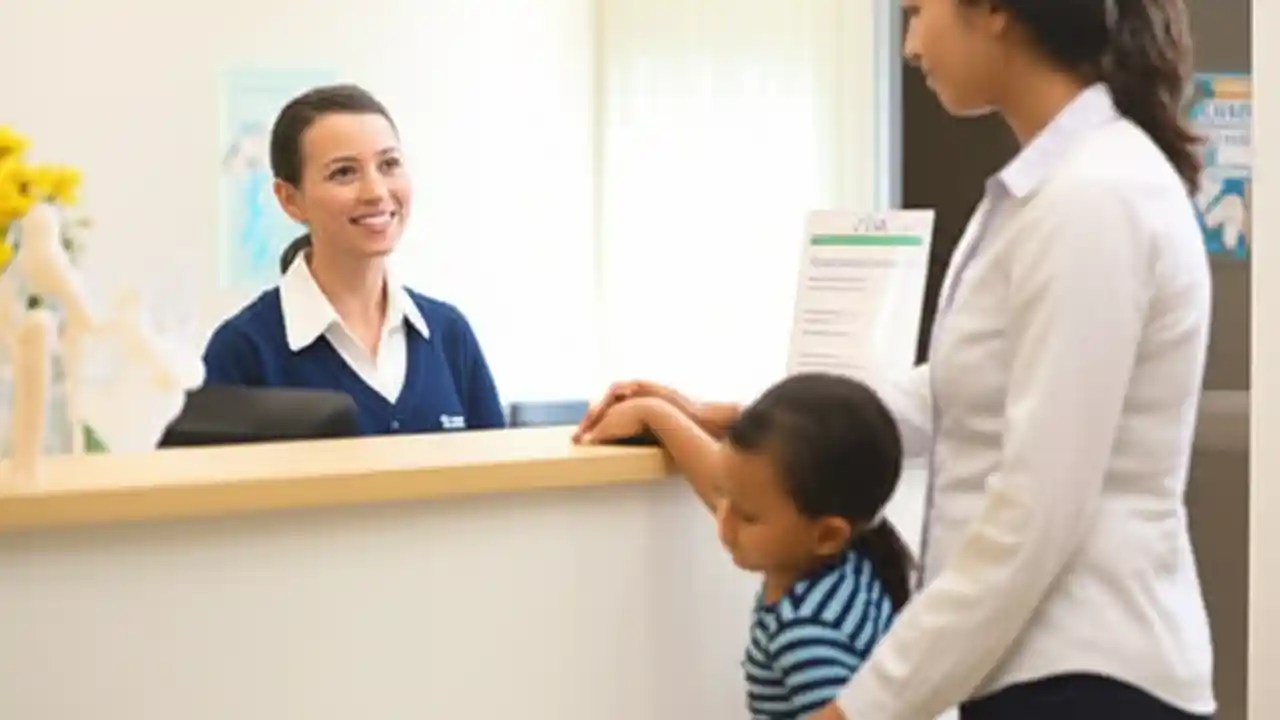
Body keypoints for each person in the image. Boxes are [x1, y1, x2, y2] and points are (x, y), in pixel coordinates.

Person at [577, 0, 1216, 717]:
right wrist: (743, 419)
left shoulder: (1095, 197)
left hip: (1087, 676)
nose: (909, 44)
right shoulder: (1051, 188)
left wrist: (861, 709)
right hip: (1039, 674)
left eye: (916, 10)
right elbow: (948, 393)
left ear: (995, 10)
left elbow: (1035, 513)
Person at [581, 373, 912, 719]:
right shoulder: (854, 552)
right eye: (725, 500)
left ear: (827, 535)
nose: (723, 524)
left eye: (748, 517)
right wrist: (659, 413)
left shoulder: (806, 633)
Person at [203, 84, 505, 435]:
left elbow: (503, 482)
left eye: (389, 164)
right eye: (344, 172)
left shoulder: (449, 334)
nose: (376, 192)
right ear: (290, 199)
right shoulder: (243, 351)